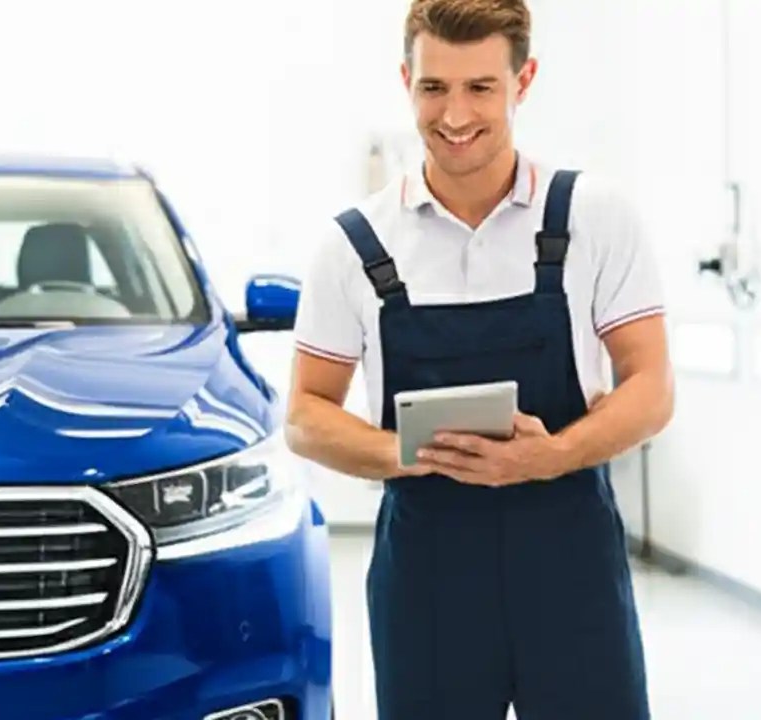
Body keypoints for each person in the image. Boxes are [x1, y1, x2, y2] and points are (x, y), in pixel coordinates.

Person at [285, 0, 675, 718]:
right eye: (434, 88)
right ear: (406, 81)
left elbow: (650, 387)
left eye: (479, 88)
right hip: (428, 574)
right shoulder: (353, 245)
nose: (455, 114)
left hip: (571, 563)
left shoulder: (594, 217)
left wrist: (551, 455)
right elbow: (306, 415)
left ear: (522, 82)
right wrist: (409, 453)